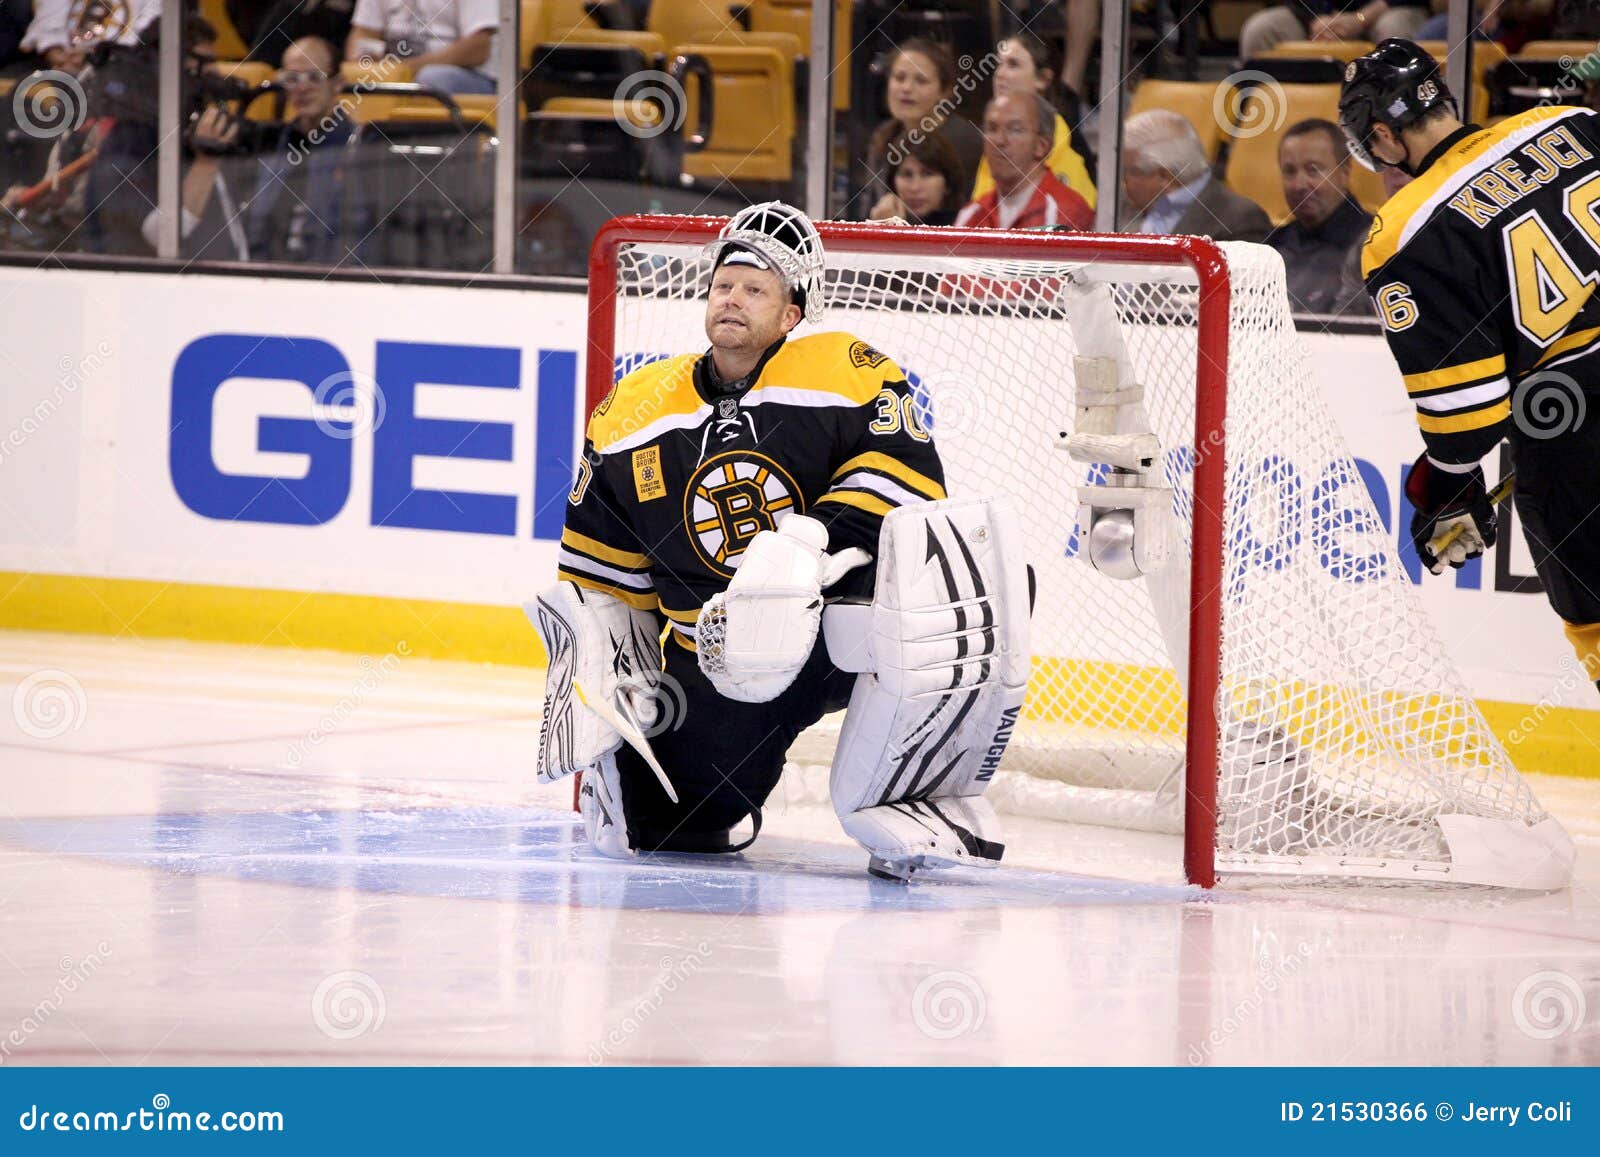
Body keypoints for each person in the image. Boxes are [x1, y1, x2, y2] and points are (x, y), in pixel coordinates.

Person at [529, 201, 1026, 880]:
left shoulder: (846, 370)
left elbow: (908, 484)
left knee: (981, 576)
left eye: (755, 289)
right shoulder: (632, 412)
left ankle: (911, 793)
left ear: (791, 315)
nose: (732, 297)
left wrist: (811, 542)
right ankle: (662, 776)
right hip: (717, 658)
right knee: (671, 824)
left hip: (840, 630)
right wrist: (612, 691)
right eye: (723, 285)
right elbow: (602, 580)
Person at [1343, 38, 1600, 688]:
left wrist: (1447, 488)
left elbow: (1465, 418)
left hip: (1578, 447)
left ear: (1383, 135)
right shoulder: (1572, 123)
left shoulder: (1406, 232)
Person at [140, 34, 372, 263]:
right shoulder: (266, 143)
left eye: (314, 77)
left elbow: (360, 236)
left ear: (338, 83)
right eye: (292, 78)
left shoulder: (360, 146)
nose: (302, 88)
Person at [969, 32, 1096, 211]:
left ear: (1043, 79)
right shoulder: (994, 141)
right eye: (998, 65)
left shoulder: (1065, 139)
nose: (999, 74)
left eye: (1013, 65)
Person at [862, 38, 983, 212]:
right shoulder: (883, 137)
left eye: (921, 80)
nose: (907, 88)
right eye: (899, 78)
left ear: (944, 92)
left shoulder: (964, 140)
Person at [1265, 118, 1372, 314]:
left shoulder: (1371, 248)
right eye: (1289, 171)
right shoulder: (1270, 248)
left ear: (1344, 172)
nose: (1299, 184)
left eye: (1313, 170)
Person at [1121, 109, 1272, 242]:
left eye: (1129, 171)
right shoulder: (1120, 207)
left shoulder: (1239, 220)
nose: (1123, 180)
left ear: (1163, 177)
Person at [955, 92, 1092, 230]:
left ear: (1041, 146)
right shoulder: (971, 214)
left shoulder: (1068, 213)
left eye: (1015, 129)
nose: (999, 140)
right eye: (992, 128)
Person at [345, 0, 495, 94]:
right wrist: (361, 65)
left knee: (431, 78)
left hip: (471, 77)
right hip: (395, 74)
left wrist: (405, 70)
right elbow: (363, 33)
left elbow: (478, 48)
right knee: (345, 79)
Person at [1240, 2, 1430, 60]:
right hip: (1319, 14)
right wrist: (1318, 19)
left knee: (1394, 28)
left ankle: (1403, 123)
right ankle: (1259, 124)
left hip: (1387, 9)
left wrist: (1360, 18)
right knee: (1261, 29)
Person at [868, 130, 967, 226]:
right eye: (907, 175)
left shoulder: (967, 223)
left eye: (927, 174)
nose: (915, 188)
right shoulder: (881, 219)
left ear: (948, 184)